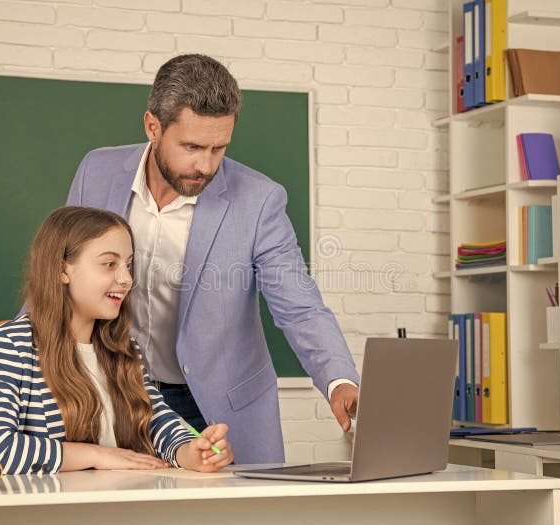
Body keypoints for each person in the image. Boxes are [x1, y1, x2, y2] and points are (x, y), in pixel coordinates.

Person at [62, 54, 360, 464]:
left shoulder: (258, 200)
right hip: (118, 396)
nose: (205, 165)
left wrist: (339, 381)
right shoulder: (97, 172)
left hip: (220, 408)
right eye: (192, 147)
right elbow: (59, 274)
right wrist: (11, 373)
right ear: (152, 126)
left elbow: (300, 306)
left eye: (219, 148)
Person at [0, 206, 233, 475]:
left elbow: (156, 420)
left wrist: (189, 451)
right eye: (109, 264)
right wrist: (97, 455)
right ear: (61, 269)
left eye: (128, 265)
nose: (126, 279)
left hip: (125, 498)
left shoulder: (124, 348)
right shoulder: (7, 346)